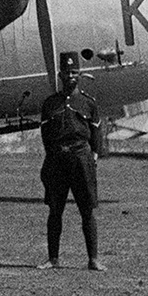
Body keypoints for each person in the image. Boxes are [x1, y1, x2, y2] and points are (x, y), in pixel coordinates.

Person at [37, 51, 105, 271]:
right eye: (67, 73)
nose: (71, 76)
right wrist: (52, 157)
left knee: (87, 211)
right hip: (57, 160)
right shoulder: (50, 104)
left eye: (74, 72)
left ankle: (93, 259)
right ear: (60, 75)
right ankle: (53, 259)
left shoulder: (88, 103)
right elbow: (46, 135)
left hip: (81, 160)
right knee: (55, 210)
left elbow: (96, 135)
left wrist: (93, 157)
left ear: (80, 74)